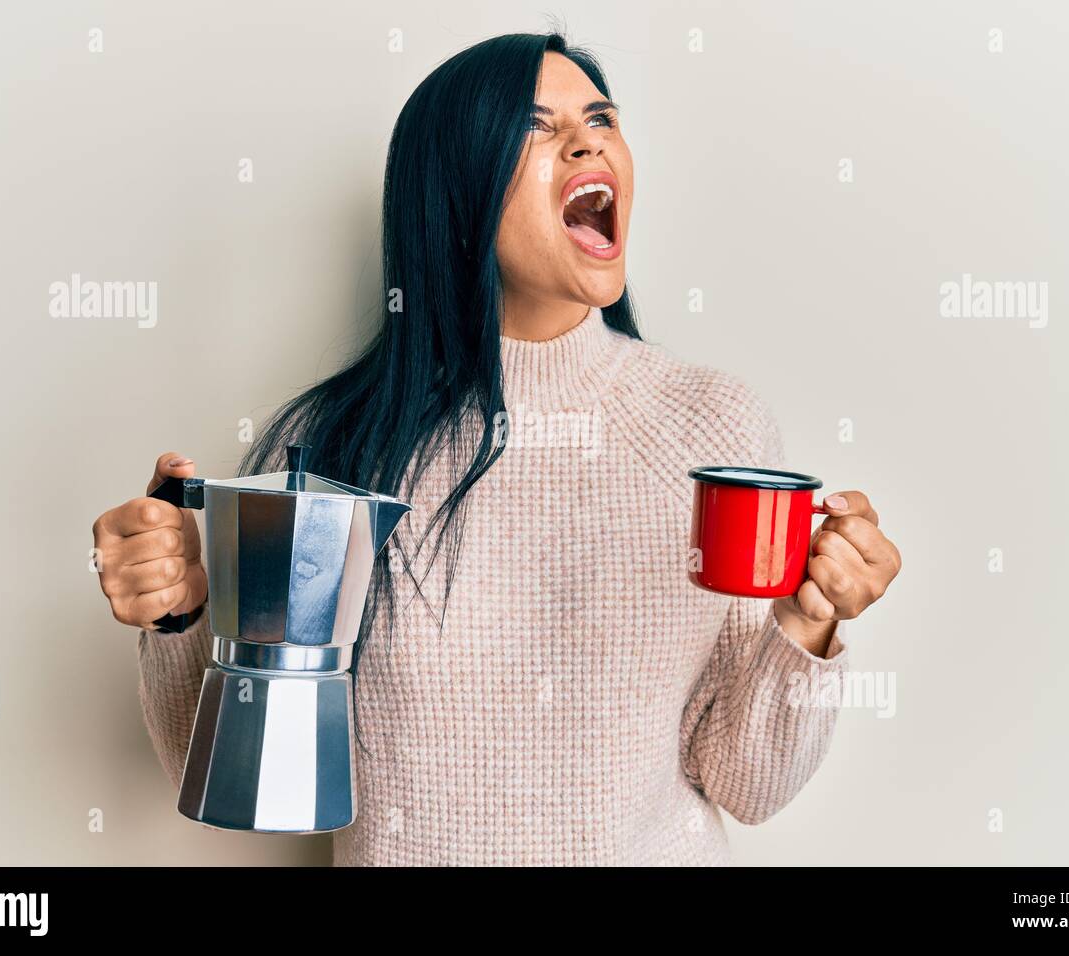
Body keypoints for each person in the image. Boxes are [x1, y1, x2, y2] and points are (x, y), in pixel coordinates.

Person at [92, 32, 901, 865]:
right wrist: (180, 612)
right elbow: (246, 776)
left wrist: (807, 622)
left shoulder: (713, 429)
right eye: (537, 127)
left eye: (601, 118)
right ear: (457, 193)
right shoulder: (333, 449)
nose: (589, 140)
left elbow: (747, 785)